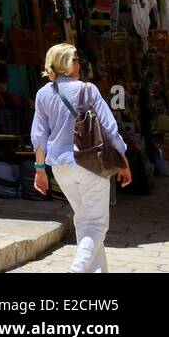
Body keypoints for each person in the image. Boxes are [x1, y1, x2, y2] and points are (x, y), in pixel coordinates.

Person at [31, 42, 132, 273]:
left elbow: (39, 135)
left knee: (85, 220)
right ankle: (77, 269)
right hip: (90, 163)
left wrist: (39, 169)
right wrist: (123, 161)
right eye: (76, 59)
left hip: (60, 167)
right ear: (66, 63)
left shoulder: (43, 94)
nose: (79, 63)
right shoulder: (88, 89)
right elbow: (109, 129)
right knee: (96, 223)